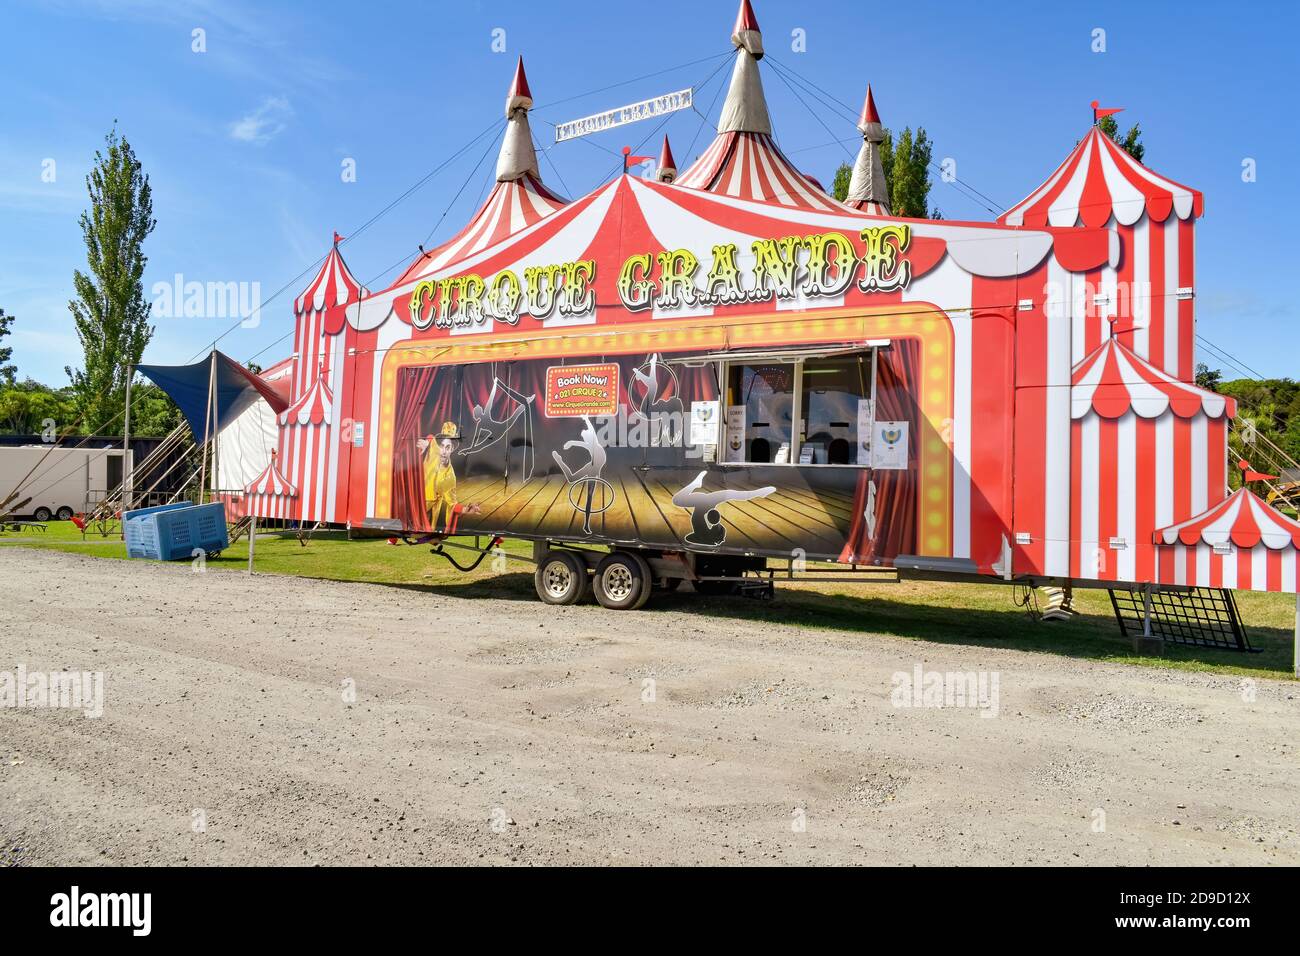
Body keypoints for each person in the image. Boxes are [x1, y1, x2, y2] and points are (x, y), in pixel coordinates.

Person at [419, 421, 481, 534]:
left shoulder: (450, 477)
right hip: (415, 497)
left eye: (447, 447)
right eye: (442, 446)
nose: (443, 451)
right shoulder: (433, 449)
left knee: (426, 531)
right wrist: (427, 443)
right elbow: (430, 438)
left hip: (428, 507)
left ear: (452, 449)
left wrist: (466, 510)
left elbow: (452, 504)